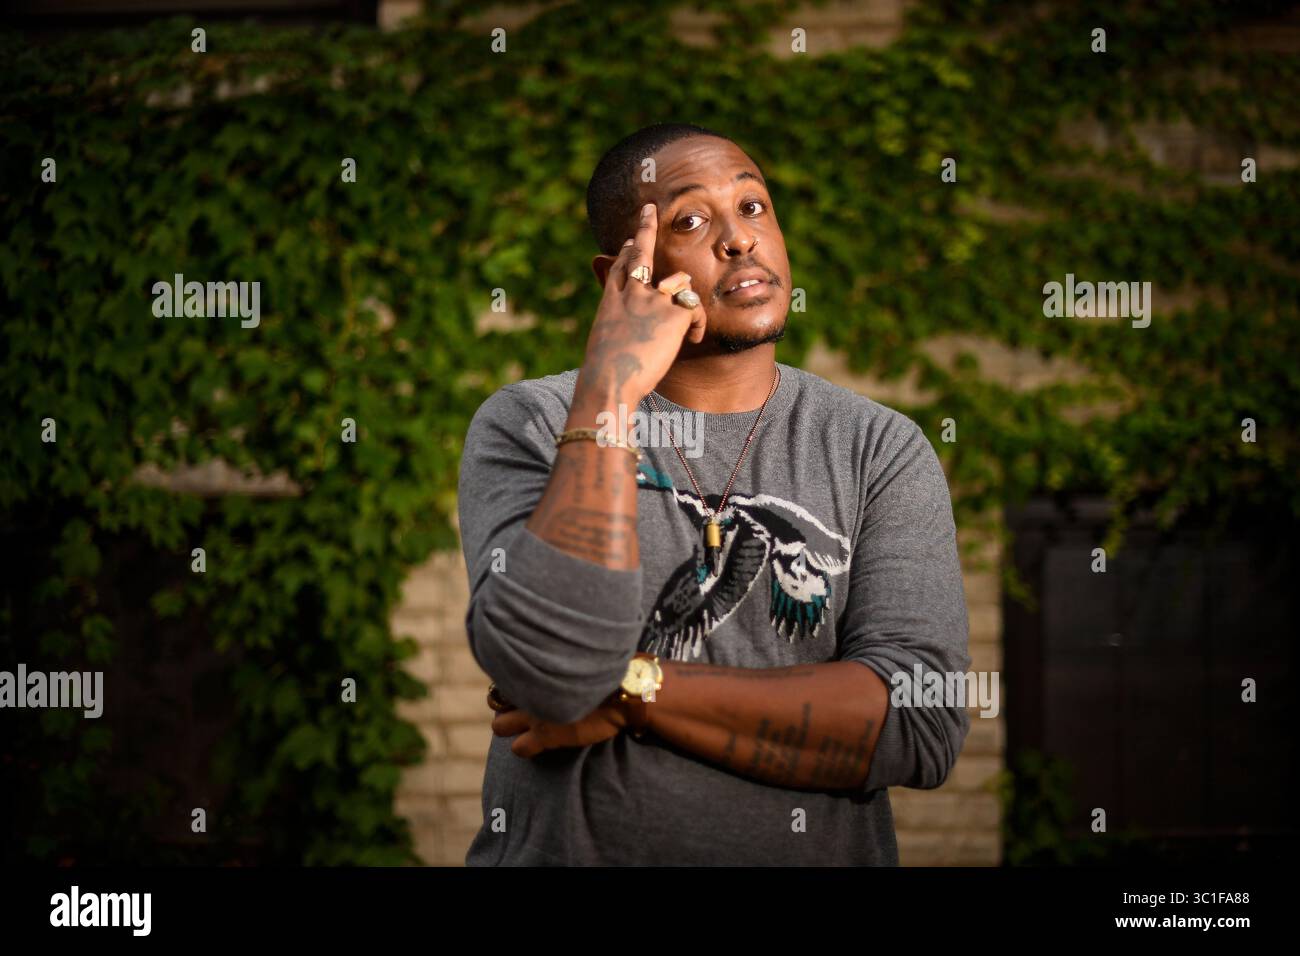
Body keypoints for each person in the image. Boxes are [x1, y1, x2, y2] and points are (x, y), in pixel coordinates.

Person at [457, 122, 970, 865]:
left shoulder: (876, 448)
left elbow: (916, 725)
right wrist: (609, 389)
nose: (740, 240)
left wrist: (631, 688)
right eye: (691, 220)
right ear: (621, 275)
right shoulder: (532, 424)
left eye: (755, 207)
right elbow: (553, 669)